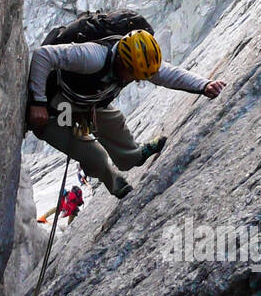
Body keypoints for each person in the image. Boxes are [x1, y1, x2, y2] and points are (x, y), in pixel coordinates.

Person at [26, 30, 225, 198]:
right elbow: (43, 55)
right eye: (133, 76)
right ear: (121, 61)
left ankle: (133, 157)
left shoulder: (138, 62)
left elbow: (169, 75)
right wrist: (38, 102)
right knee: (94, 157)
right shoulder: (93, 57)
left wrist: (204, 85)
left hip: (87, 103)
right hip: (53, 108)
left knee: (114, 121)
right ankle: (114, 181)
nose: (136, 81)